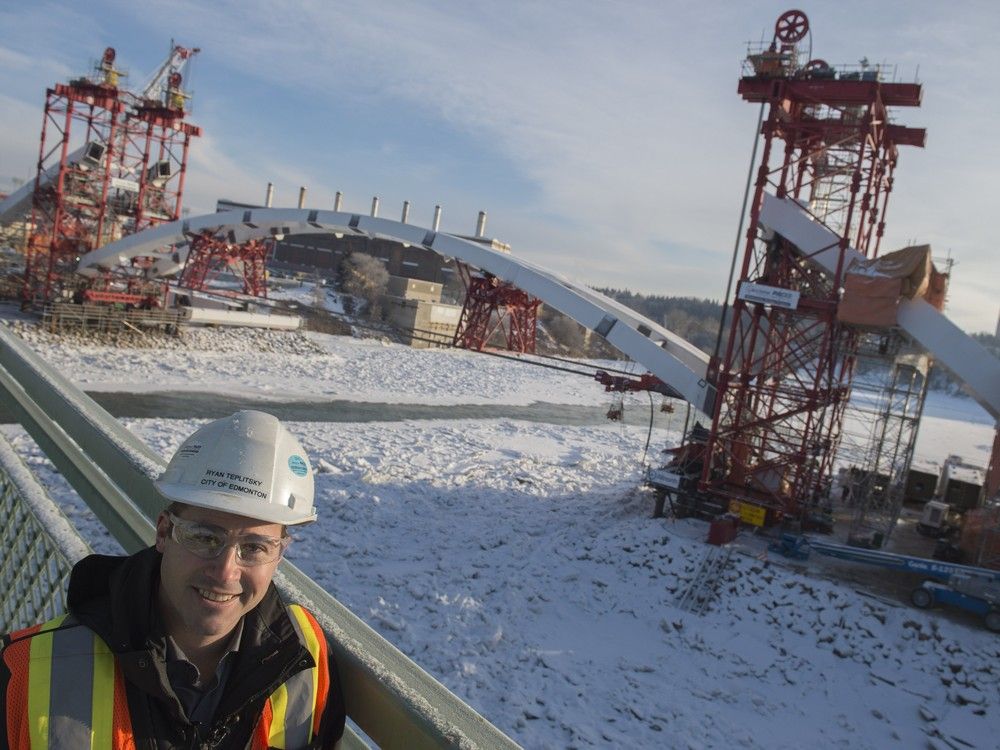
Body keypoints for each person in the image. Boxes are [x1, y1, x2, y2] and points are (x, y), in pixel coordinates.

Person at [0, 410, 345, 748]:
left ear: (279, 555)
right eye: (205, 538)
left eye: (254, 547)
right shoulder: (24, 671)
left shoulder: (306, 655)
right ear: (163, 532)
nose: (226, 571)